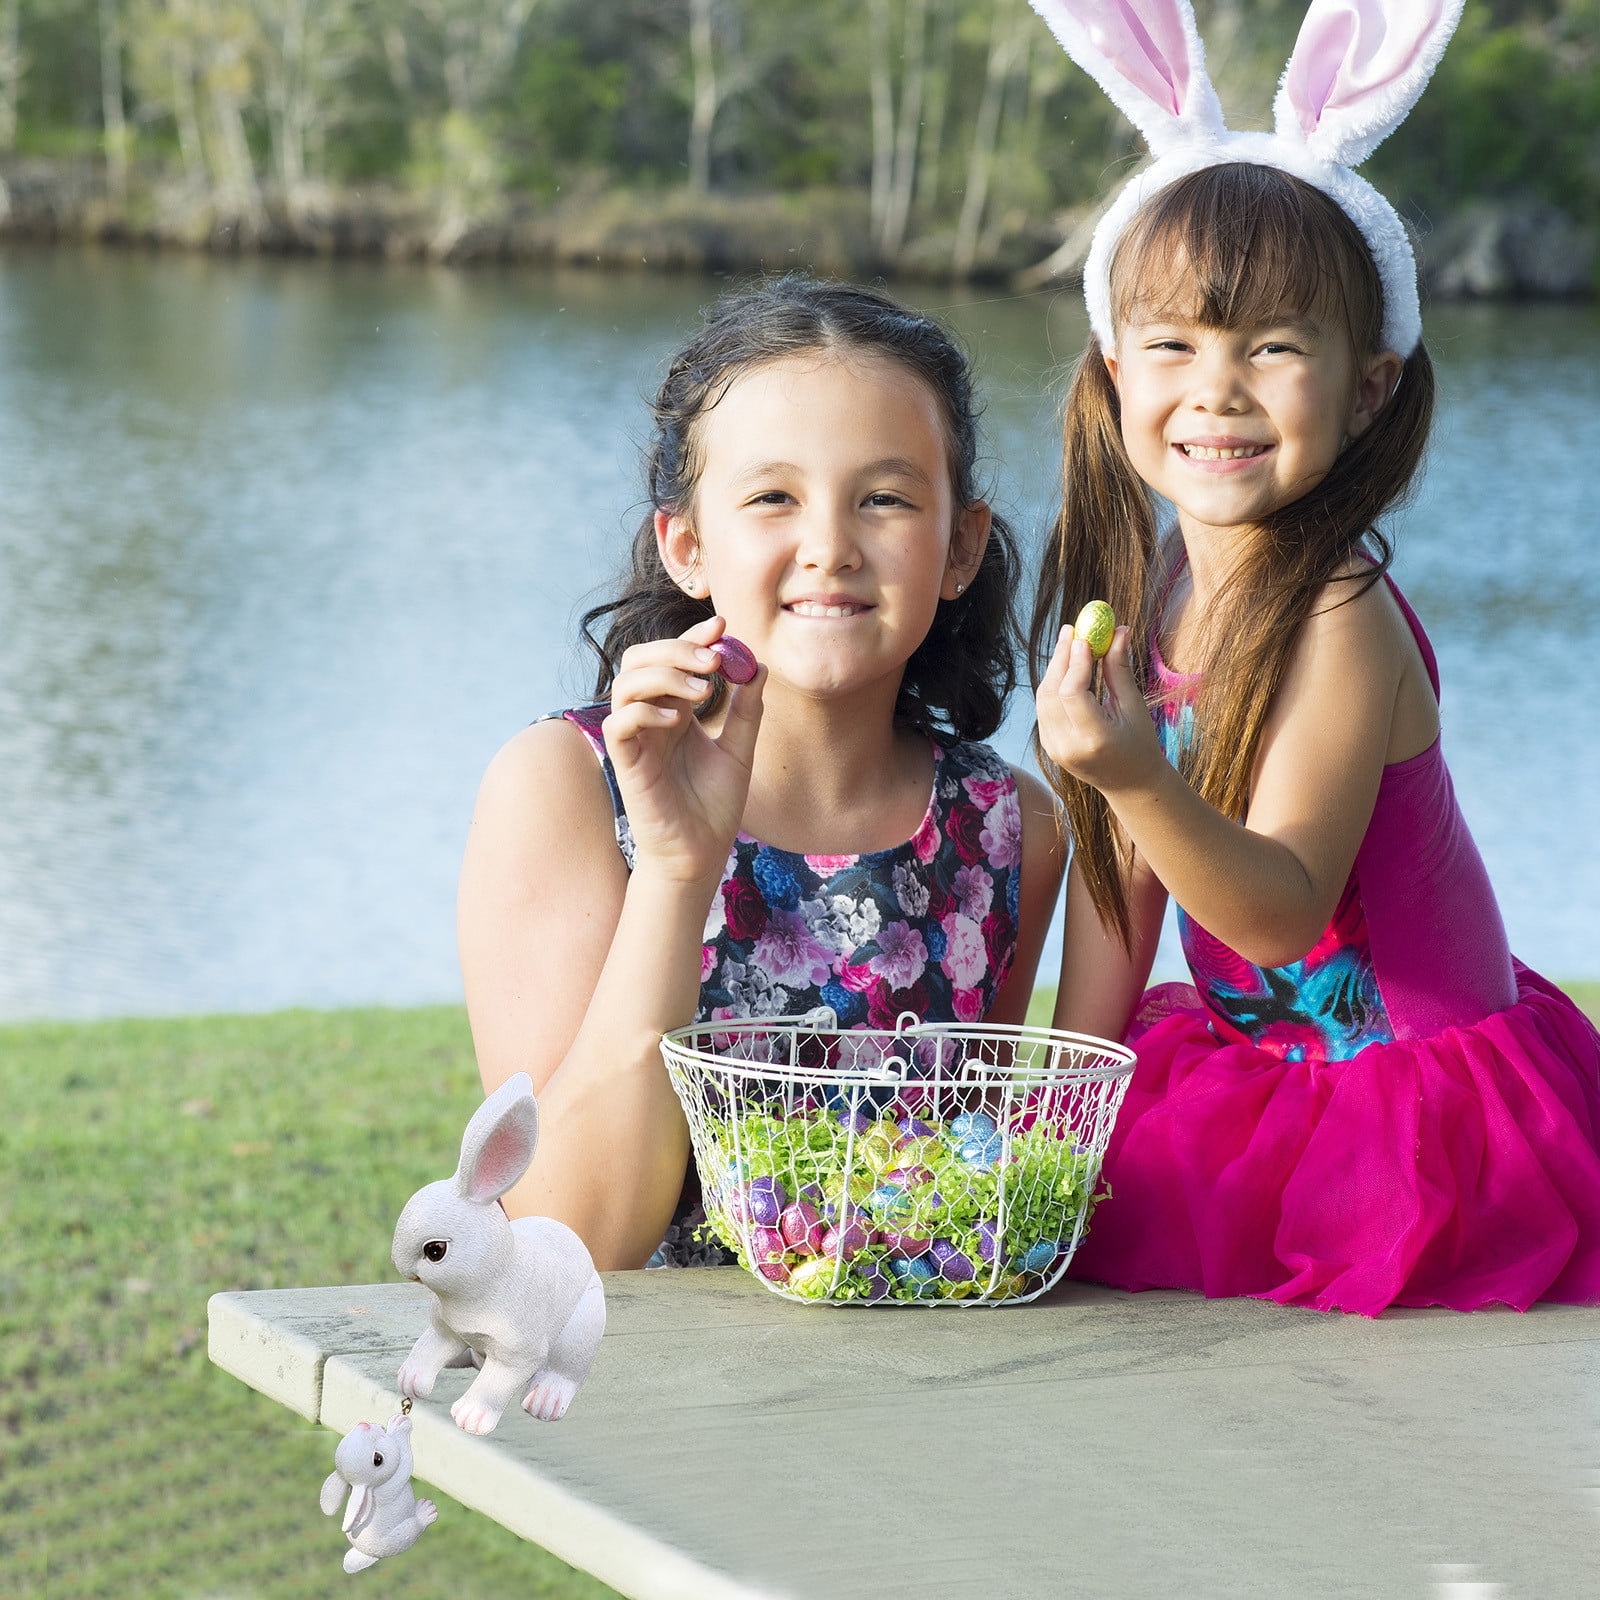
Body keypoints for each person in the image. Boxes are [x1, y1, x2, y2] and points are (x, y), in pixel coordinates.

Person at [1029, 0, 1600, 1314]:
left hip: (1417, 1112)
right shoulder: (1155, 591)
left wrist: (1131, 777)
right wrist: (1063, 1091)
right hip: (1265, 1078)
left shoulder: (1341, 614)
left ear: (1372, 384)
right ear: (1115, 373)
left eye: (1274, 348)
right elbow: (1125, 885)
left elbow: (1280, 909)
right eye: (1171, 345)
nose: (1216, 389)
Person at [458, 277, 1065, 1271]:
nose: (828, 546)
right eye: (773, 497)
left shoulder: (1005, 828)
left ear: (958, 543)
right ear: (687, 544)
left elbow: (957, 1203)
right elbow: (571, 1241)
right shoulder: (561, 787)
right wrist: (674, 871)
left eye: (883, 498)